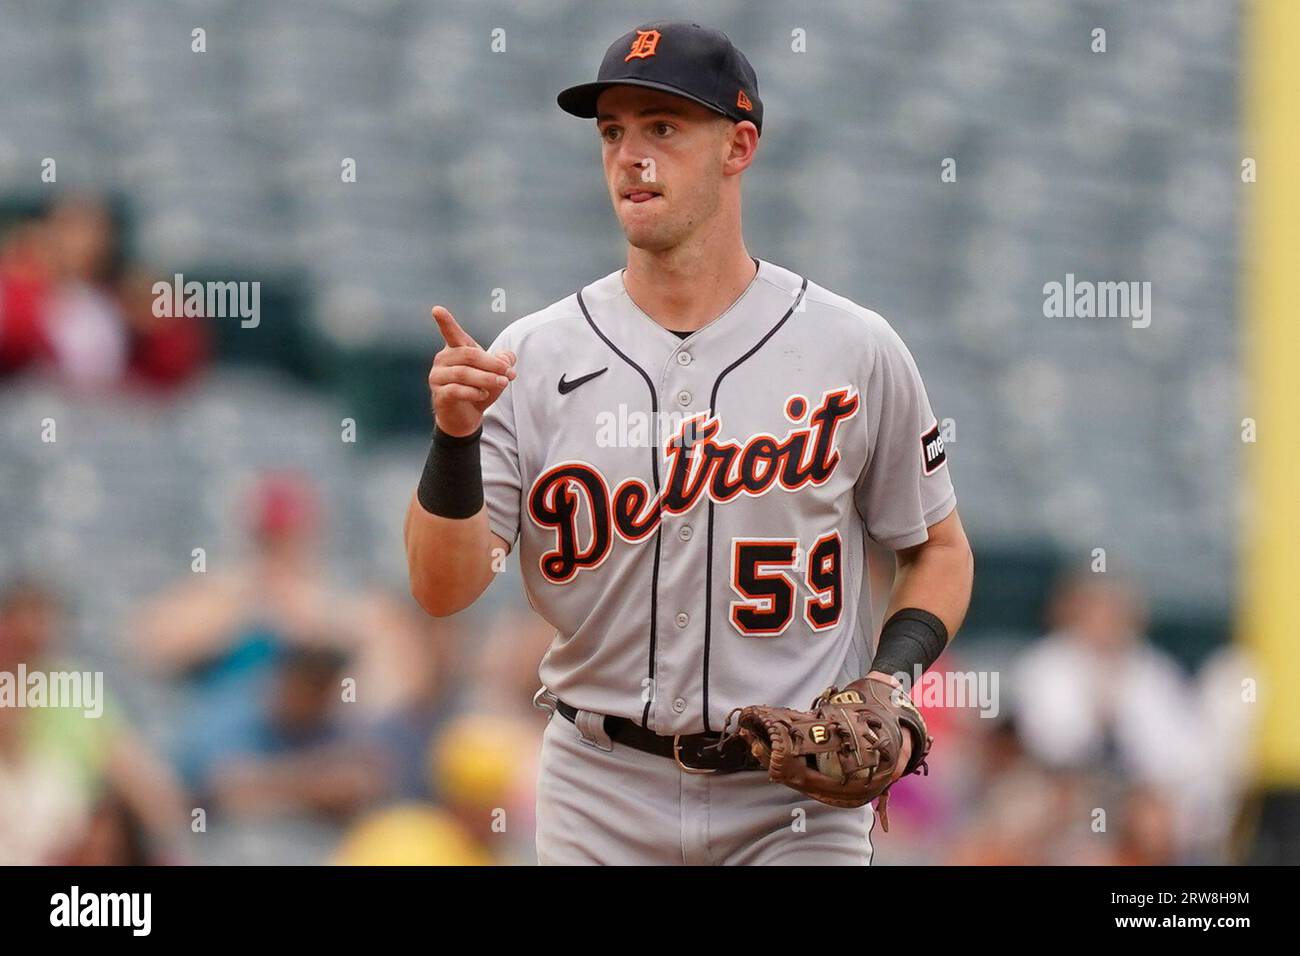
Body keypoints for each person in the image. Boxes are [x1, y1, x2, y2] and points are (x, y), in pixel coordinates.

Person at [404, 20, 973, 865]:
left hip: (794, 797)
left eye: (662, 128)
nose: (630, 155)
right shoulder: (534, 354)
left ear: (738, 145)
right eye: (612, 132)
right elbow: (442, 588)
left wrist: (888, 675)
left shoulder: (853, 347)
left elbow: (936, 548)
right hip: (597, 787)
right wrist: (453, 441)